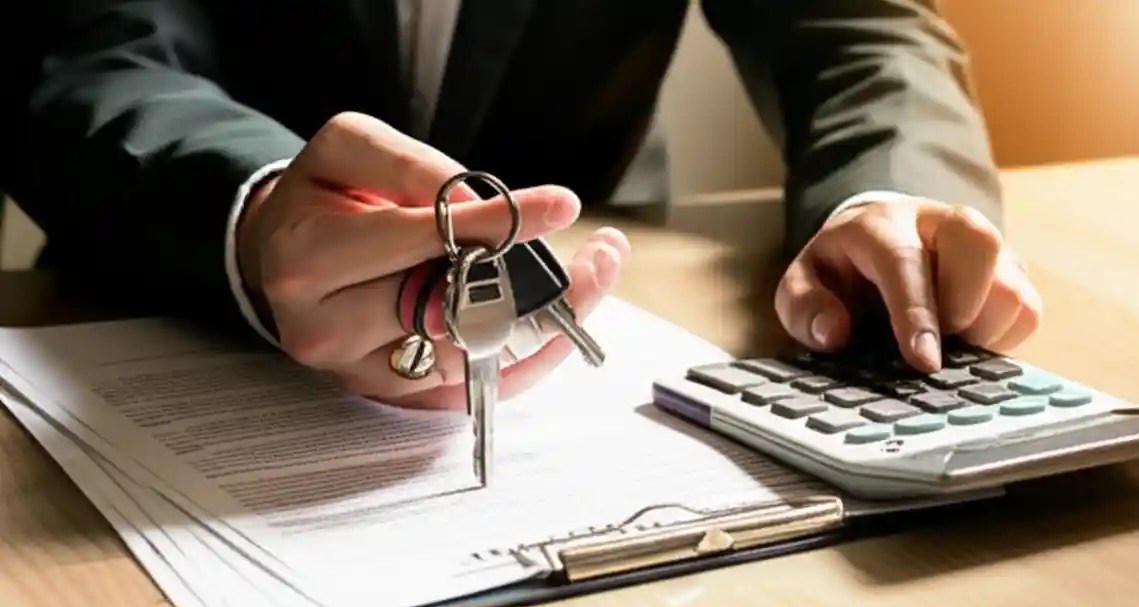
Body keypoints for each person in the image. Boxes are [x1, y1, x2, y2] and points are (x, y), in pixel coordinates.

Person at [5, 0, 1042, 411]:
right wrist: (256, 207)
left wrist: (892, 193)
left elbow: (859, 27)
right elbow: (89, 54)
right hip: (148, 307)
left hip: (599, 310)